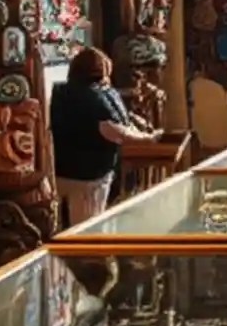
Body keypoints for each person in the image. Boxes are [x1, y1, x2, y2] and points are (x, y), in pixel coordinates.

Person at [51, 47, 160, 225]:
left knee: (60, 225)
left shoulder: (60, 92)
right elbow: (115, 131)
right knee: (86, 228)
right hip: (88, 176)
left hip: (60, 171)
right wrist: (150, 139)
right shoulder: (97, 97)